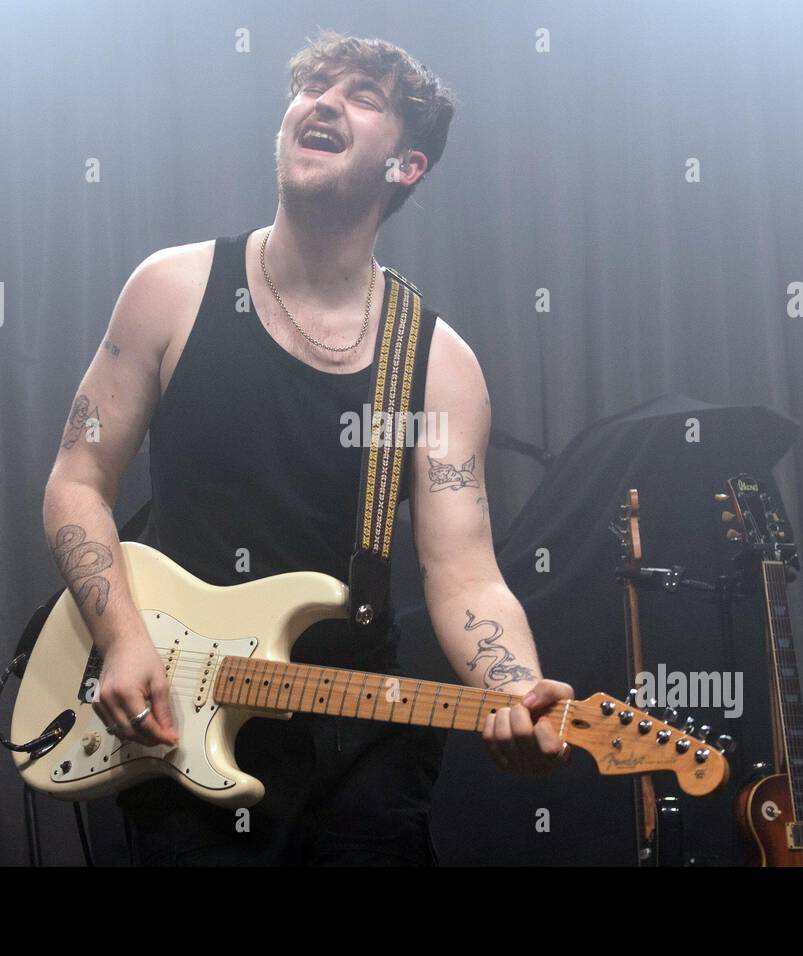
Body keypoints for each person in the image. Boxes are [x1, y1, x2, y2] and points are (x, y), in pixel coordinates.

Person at [41, 30, 572, 865]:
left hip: (361, 742)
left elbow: (465, 571)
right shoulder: (171, 291)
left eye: (364, 96)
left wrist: (512, 688)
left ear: (408, 168)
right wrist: (122, 637)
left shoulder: (437, 366)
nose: (323, 100)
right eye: (314, 86)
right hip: (184, 721)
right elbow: (78, 480)